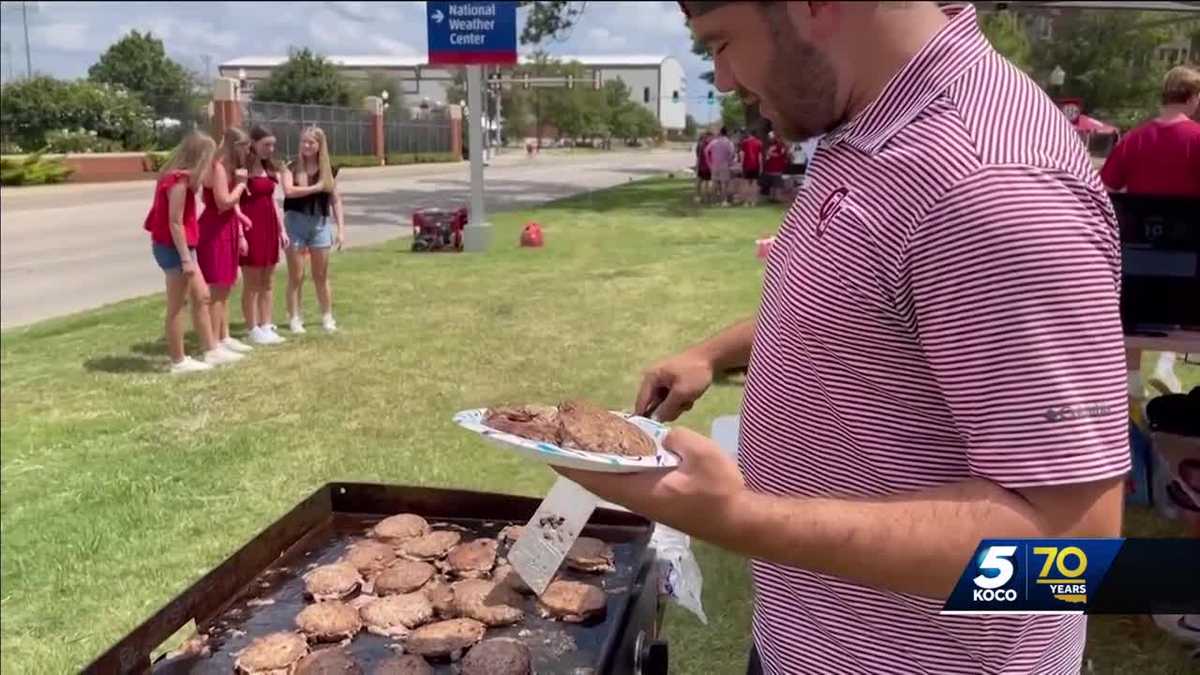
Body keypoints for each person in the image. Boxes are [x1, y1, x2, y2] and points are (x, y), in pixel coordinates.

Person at [559, 3, 1128, 674]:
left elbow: (1071, 560)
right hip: (804, 642)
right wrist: (711, 353)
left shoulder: (995, 184)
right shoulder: (867, 120)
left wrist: (741, 516)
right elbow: (859, 307)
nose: (725, 77)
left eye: (721, 41)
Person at [1100, 65, 1200, 397]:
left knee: (1135, 311)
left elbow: (1106, 189)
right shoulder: (1197, 140)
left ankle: (1131, 385)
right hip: (1190, 261)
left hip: (1139, 260)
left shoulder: (1134, 139)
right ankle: (1169, 365)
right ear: (1194, 98)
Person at [143, 131, 244, 374]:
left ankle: (212, 350)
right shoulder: (176, 181)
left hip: (184, 246)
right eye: (208, 157)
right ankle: (178, 361)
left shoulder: (184, 178)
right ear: (199, 156)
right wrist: (186, 259)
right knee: (177, 306)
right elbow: (174, 222)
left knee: (203, 297)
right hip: (173, 248)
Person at [282, 126, 345, 334]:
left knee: (321, 275)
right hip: (295, 223)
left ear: (319, 145)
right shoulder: (290, 167)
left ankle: (327, 317)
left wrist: (341, 230)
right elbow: (289, 192)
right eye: (303, 141)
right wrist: (316, 188)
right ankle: (295, 318)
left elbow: (335, 200)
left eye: (311, 142)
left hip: (320, 224)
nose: (306, 145)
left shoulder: (329, 170)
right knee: (296, 275)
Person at [197, 127, 255, 354]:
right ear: (235, 145)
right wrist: (241, 184)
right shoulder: (219, 167)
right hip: (215, 230)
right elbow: (222, 203)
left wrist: (239, 220)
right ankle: (213, 343)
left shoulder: (223, 166)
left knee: (226, 285)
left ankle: (224, 335)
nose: (247, 151)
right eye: (245, 147)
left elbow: (214, 199)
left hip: (226, 227)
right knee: (218, 288)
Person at [240, 125, 289, 346]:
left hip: (269, 226)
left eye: (273, 145)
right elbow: (235, 206)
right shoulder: (242, 170)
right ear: (253, 143)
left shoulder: (269, 169)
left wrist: (282, 229)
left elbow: (272, 202)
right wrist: (240, 233)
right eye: (266, 144)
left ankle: (266, 324)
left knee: (268, 280)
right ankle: (252, 327)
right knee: (251, 282)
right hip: (250, 227)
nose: (270, 149)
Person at [703, 126, 736, 206]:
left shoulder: (714, 141)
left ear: (720, 133)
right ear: (727, 133)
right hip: (724, 164)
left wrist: (709, 162)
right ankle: (723, 201)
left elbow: (706, 150)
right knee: (724, 183)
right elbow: (732, 153)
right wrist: (729, 161)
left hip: (714, 164)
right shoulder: (729, 142)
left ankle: (714, 201)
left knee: (715, 183)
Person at [761, 131, 789, 202]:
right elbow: (767, 156)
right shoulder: (771, 146)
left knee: (776, 184)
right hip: (770, 168)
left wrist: (770, 153)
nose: (770, 139)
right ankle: (773, 197)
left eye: (771, 137)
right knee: (773, 184)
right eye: (770, 138)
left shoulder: (780, 146)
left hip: (776, 168)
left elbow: (781, 155)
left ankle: (776, 197)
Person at [738, 128, 763, 207]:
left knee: (746, 184)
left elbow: (742, 154)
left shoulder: (744, 142)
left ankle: (746, 202)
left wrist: (741, 165)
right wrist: (761, 166)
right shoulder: (759, 143)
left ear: (749, 134)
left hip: (746, 165)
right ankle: (753, 202)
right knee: (754, 184)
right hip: (755, 165)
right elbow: (760, 156)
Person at [695, 131, 713, 204]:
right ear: (707, 137)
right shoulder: (707, 145)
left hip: (702, 166)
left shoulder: (700, 144)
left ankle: (700, 197)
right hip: (706, 166)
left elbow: (697, 155)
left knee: (701, 181)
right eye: (711, 137)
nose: (712, 139)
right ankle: (704, 197)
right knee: (706, 182)